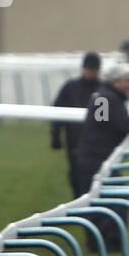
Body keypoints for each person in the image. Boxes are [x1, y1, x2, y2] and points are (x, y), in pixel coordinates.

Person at [73, 64, 129, 250]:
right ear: (114, 81)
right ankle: (107, 243)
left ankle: (100, 242)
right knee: (110, 199)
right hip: (96, 159)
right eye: (126, 81)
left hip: (93, 157)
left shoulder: (103, 97)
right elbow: (114, 123)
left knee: (101, 199)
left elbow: (103, 124)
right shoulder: (106, 99)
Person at [51, 52, 102, 195]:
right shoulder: (70, 88)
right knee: (76, 177)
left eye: (94, 69)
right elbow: (58, 112)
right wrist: (55, 136)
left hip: (96, 145)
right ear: (84, 68)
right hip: (74, 142)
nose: (91, 72)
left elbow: (102, 119)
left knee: (93, 178)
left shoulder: (102, 90)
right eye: (89, 69)